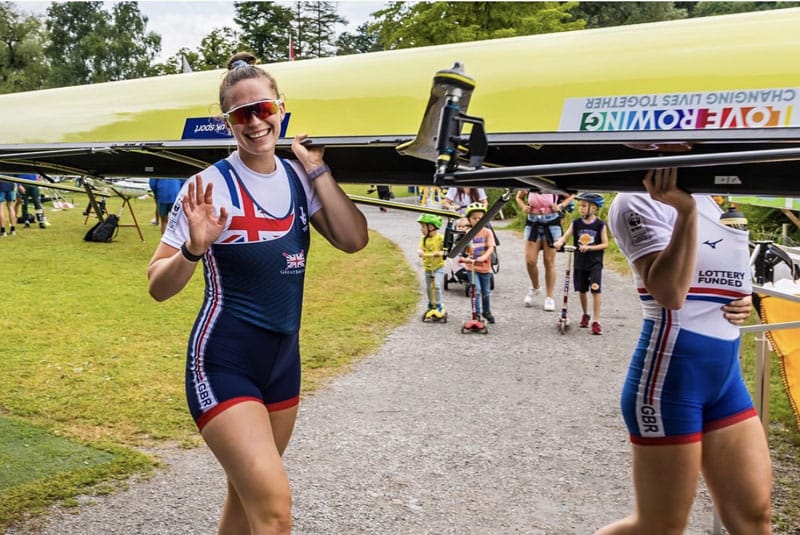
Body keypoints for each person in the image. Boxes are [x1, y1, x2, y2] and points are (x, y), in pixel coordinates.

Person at [147, 51, 368, 534]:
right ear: (227, 122)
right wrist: (191, 249)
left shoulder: (297, 178)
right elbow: (156, 286)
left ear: (280, 109)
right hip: (224, 361)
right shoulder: (206, 187)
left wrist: (318, 171)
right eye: (241, 114)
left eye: (263, 109)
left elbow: (353, 240)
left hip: (282, 365)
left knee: (246, 504)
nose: (254, 122)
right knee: (272, 511)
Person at [597, 167, 771, 534]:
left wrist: (741, 300)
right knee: (659, 526)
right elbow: (670, 293)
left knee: (754, 517)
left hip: (725, 379)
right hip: (670, 380)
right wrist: (686, 213)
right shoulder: (635, 200)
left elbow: (722, 277)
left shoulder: (714, 196)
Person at [553, 192, 608, 334]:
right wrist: (559, 242)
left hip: (595, 262)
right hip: (579, 262)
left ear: (594, 208)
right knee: (582, 290)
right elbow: (565, 237)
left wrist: (590, 247)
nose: (581, 208)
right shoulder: (576, 223)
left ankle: (596, 321)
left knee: (595, 289)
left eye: (584, 206)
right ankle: (585, 314)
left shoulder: (600, 225)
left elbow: (605, 244)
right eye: (580, 206)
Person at [516, 190, 574, 311]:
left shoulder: (553, 183)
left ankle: (549, 297)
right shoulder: (530, 181)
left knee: (549, 261)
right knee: (530, 261)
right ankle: (535, 287)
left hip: (552, 223)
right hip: (532, 222)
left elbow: (570, 196)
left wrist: (560, 206)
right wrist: (523, 207)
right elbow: (519, 197)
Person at [460, 202, 496, 323]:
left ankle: (487, 311)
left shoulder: (487, 232)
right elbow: (461, 247)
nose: (477, 220)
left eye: (480, 218)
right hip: (472, 267)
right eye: (474, 218)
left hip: (484, 267)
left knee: (486, 291)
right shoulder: (467, 233)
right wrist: (463, 256)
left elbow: (491, 247)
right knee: (477, 290)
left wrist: (484, 256)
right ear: (469, 219)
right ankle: (477, 313)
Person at [416, 213, 447, 320]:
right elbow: (420, 248)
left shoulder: (440, 238)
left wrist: (440, 253)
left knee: (437, 285)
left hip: (438, 266)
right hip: (428, 267)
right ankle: (431, 304)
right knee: (429, 287)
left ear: (432, 227)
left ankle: (438, 305)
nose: (422, 229)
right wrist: (420, 252)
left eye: (423, 227)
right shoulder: (424, 239)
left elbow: (446, 251)